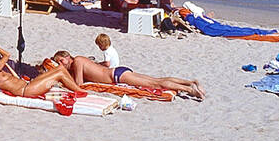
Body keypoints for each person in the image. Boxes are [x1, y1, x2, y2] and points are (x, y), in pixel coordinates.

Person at [50, 45, 206, 100]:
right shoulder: (81, 60)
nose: (60, 65)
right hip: (119, 71)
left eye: (60, 61)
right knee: (156, 79)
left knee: (156, 83)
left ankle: (189, 89)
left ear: (67, 57)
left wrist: (63, 83)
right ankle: (190, 82)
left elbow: (79, 85)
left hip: (117, 76)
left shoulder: (77, 61)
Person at [0, 44, 85, 98]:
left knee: (60, 69)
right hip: (27, 90)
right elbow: (7, 55)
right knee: (60, 73)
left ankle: (77, 89)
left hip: (29, 85)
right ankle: (80, 91)